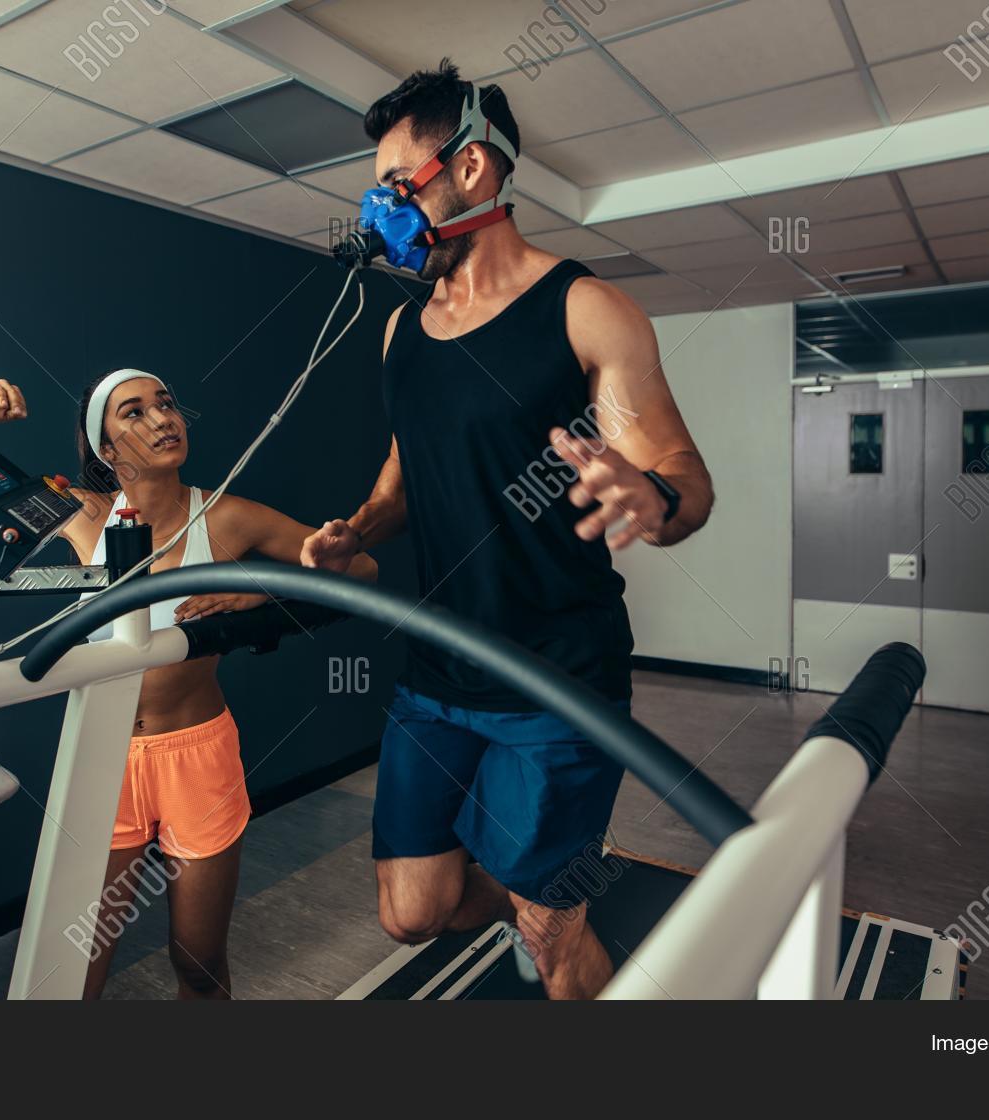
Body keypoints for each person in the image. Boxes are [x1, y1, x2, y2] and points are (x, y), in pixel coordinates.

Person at [301, 62, 714, 999]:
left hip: (559, 678)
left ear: (474, 170)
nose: (381, 215)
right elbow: (405, 477)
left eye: (399, 187)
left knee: (550, 935)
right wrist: (357, 527)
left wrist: (653, 499)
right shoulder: (400, 334)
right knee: (411, 912)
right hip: (442, 670)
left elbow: (687, 476)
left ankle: (553, 913)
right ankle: (542, 888)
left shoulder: (583, 310)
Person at [0, 371, 376, 999]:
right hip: (107, 755)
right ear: (106, 448)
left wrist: (254, 591)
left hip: (198, 753)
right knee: (77, 968)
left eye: (166, 404)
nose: (160, 419)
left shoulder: (227, 516)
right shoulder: (77, 507)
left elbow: (361, 568)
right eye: (133, 412)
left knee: (198, 961)